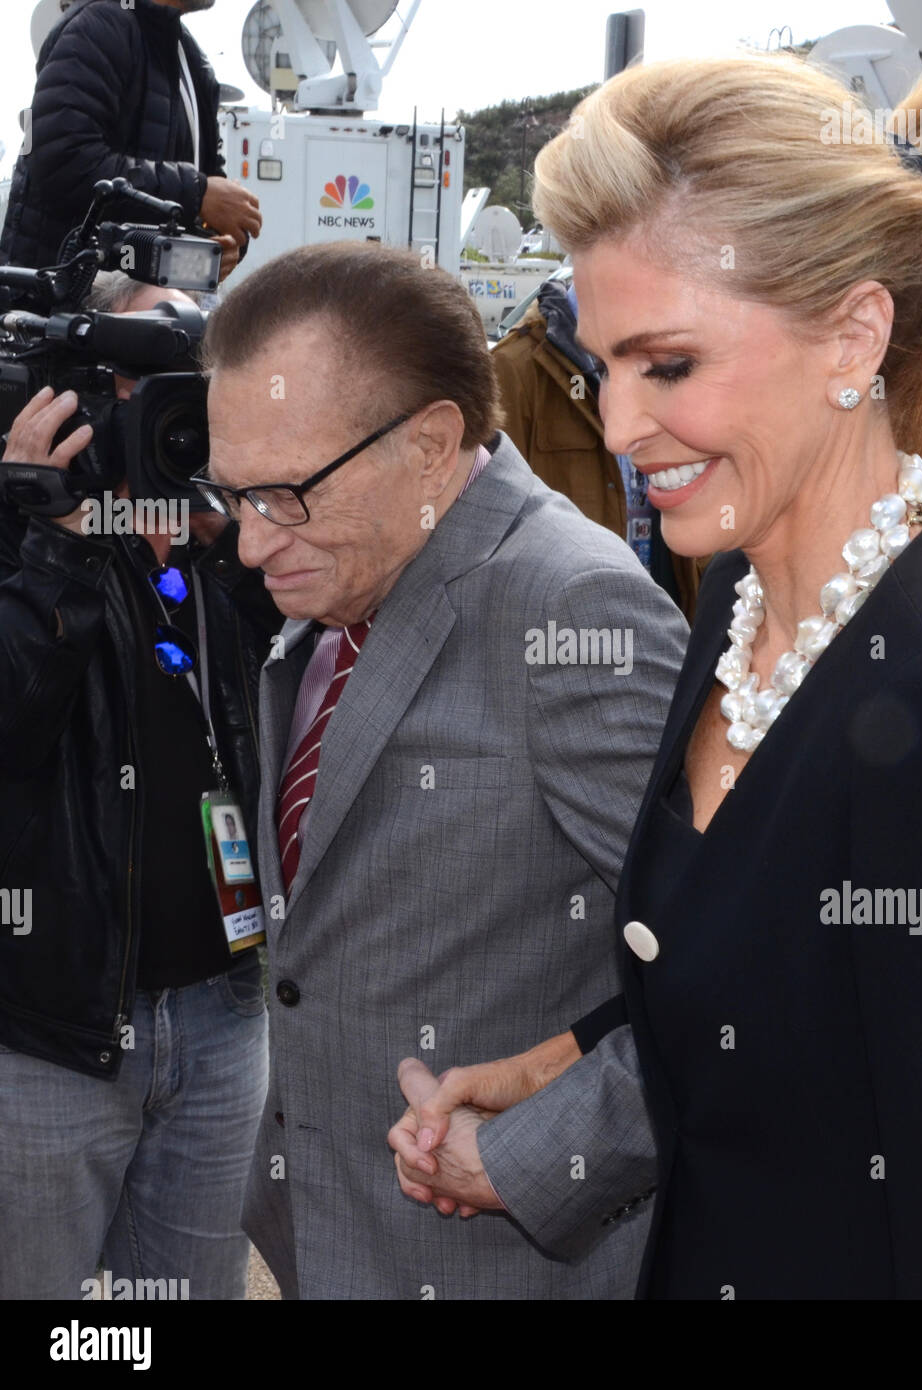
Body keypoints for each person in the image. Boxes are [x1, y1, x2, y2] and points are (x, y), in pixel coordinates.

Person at [389, 55, 922, 1300]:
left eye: (667, 365)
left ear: (853, 333)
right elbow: (763, 985)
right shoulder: (740, 602)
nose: (615, 429)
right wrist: (546, 1068)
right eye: (604, 362)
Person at [196, 239, 688, 1299]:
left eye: (283, 491)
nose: (246, 542)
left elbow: (739, 976)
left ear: (430, 444)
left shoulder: (571, 611)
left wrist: (528, 1161)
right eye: (230, 493)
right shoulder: (343, 581)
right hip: (332, 1242)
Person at [0, 271, 280, 1300]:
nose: (168, 411)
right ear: (70, 385)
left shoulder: (223, 533)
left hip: (221, 1013)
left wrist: (242, 549)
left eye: (190, 379)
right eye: (136, 378)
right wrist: (50, 538)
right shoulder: (24, 528)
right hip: (51, 1030)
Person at [492, 272, 703, 619]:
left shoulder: (686, 345)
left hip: (671, 623)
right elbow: (488, 530)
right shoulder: (513, 370)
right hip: (570, 637)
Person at [1, 0, 260, 282]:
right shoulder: (99, 27)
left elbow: (209, 191)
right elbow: (63, 161)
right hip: (68, 310)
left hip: (143, 312)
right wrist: (195, 195)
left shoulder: (190, 58)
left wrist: (218, 245)